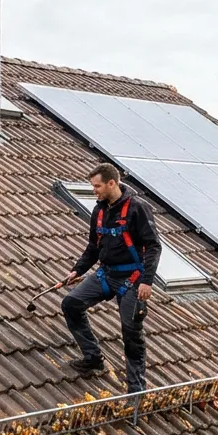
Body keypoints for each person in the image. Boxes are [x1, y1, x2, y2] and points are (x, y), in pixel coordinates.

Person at [60, 163, 162, 391]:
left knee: (131, 331)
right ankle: (93, 358)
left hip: (133, 278)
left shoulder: (138, 208)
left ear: (111, 183)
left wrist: (147, 281)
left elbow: (154, 246)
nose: (94, 190)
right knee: (71, 304)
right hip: (106, 274)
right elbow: (93, 247)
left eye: (97, 186)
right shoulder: (99, 211)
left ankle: (136, 389)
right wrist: (77, 270)